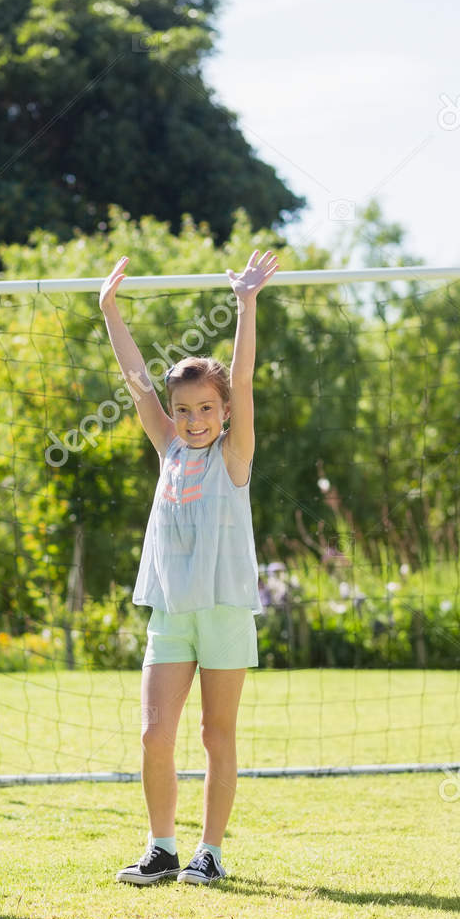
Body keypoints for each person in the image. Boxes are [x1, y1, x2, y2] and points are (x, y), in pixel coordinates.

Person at [100, 250, 280, 886]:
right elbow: (135, 380)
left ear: (223, 412)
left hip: (226, 609)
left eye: (206, 408)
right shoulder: (169, 448)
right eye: (185, 409)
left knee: (215, 734)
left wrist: (246, 303)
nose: (194, 419)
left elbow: (246, 375)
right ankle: (162, 847)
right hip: (172, 611)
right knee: (154, 734)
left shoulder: (234, 455)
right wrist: (109, 310)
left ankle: (210, 852)